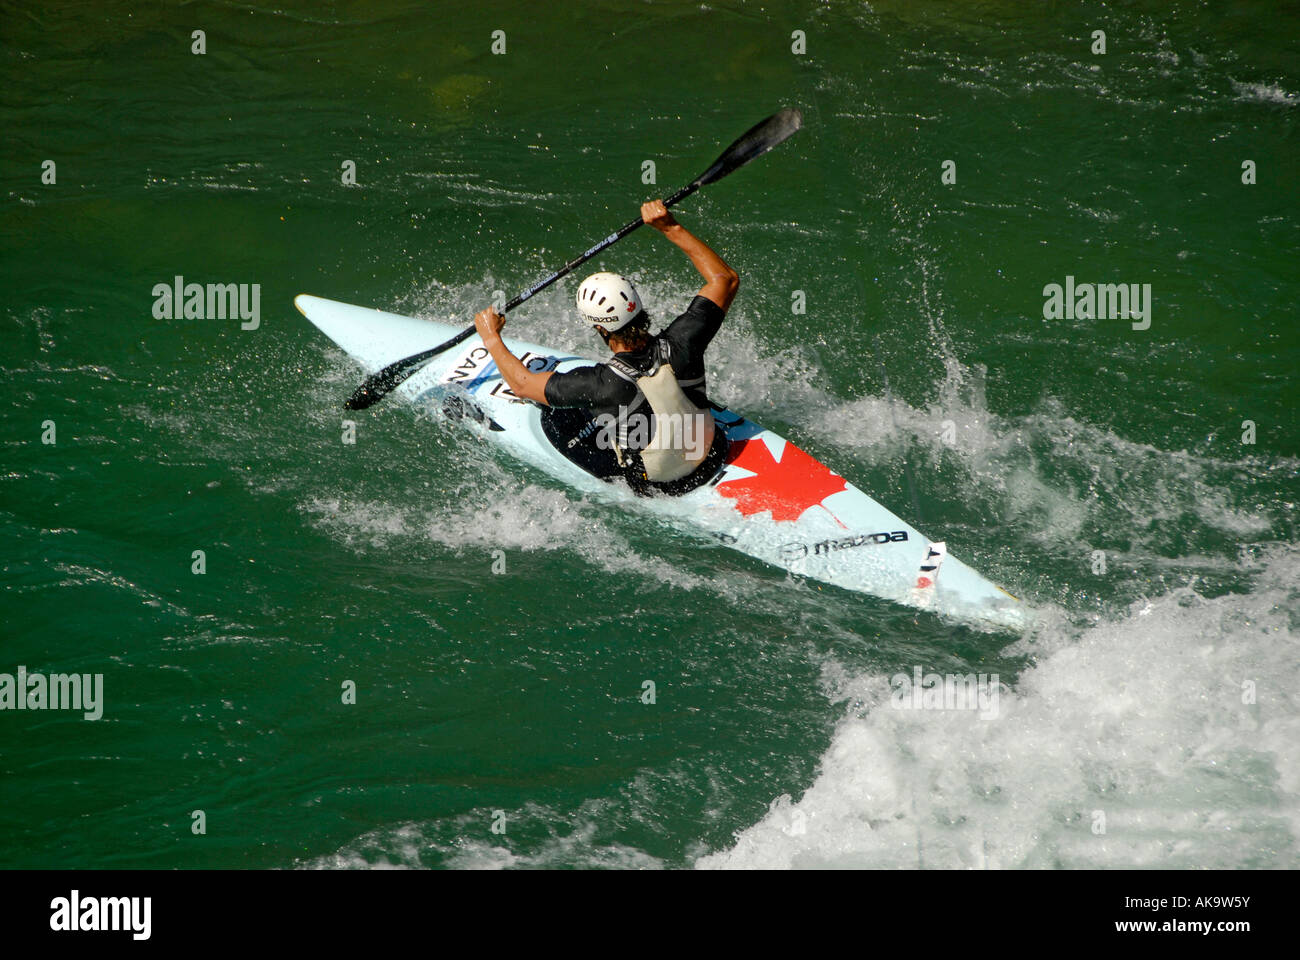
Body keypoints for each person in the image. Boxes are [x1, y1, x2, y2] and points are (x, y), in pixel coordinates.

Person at [473, 199, 739, 494]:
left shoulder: (600, 384)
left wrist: (491, 338)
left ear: (600, 328)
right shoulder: (684, 340)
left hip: (661, 486)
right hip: (711, 452)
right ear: (636, 306)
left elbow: (522, 384)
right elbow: (724, 279)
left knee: (552, 411)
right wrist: (670, 227)